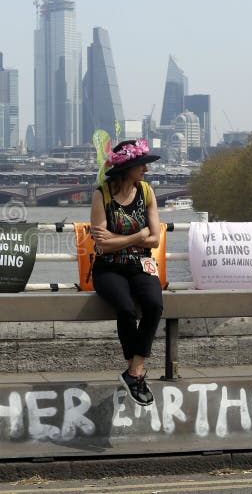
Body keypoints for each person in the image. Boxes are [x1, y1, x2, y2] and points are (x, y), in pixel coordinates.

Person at [90, 139, 162, 406]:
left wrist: (120, 237)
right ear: (127, 167)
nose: (145, 169)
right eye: (140, 164)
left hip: (140, 265)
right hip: (108, 268)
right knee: (126, 308)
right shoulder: (102, 195)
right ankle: (135, 374)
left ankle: (134, 372)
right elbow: (102, 245)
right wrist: (137, 235)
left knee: (154, 305)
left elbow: (154, 239)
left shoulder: (146, 192)